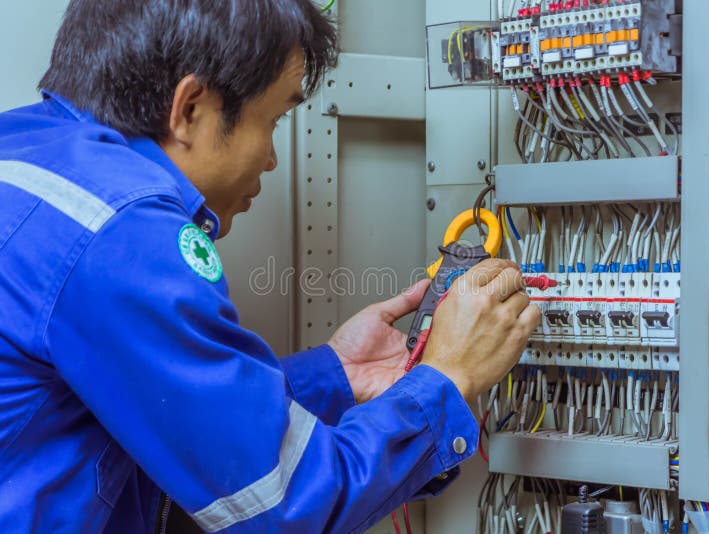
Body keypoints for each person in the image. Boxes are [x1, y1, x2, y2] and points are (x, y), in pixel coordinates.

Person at [0, 1, 541, 532]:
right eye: (275, 118)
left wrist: (335, 376)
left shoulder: (24, 152)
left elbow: (163, 411)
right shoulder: (122, 237)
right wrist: (448, 377)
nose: (271, 159)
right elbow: (279, 509)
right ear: (190, 108)